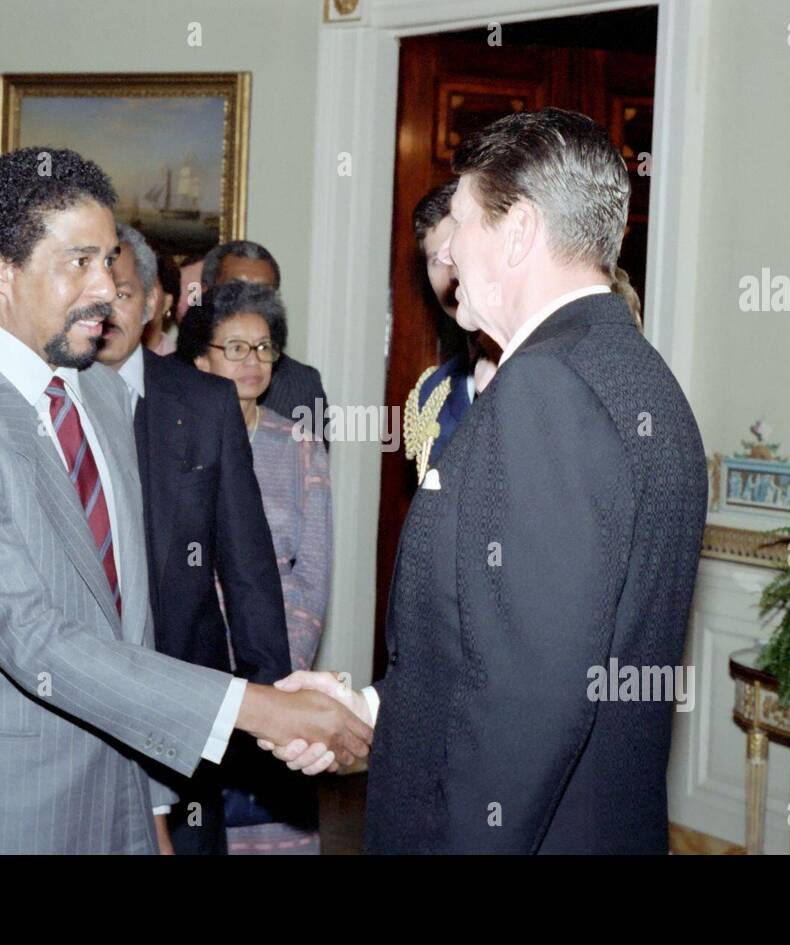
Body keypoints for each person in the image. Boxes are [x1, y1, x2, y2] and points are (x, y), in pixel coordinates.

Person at [0, 147, 369, 854]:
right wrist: (256, 709)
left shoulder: (107, 395)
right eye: (79, 262)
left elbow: (132, 620)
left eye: (109, 261)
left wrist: (157, 808)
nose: (106, 287)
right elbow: (36, 637)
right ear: (0, 271)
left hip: (125, 800)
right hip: (1, 804)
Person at [276, 108, 707, 853]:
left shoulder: (545, 388)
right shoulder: (637, 371)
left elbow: (529, 704)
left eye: (463, 225)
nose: (447, 258)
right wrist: (374, 708)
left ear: (518, 232)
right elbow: (507, 645)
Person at [95, 223, 291, 855]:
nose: (106, 309)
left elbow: (248, 562)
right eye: (93, 290)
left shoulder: (205, 402)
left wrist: (269, 699)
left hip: (184, 687)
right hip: (75, 692)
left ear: (154, 303)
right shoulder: (46, 403)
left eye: (122, 293)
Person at [178, 281, 333, 854]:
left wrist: (280, 672)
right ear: (200, 357)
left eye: (264, 348)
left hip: (275, 666)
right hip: (191, 671)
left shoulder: (297, 445)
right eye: (235, 348)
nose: (254, 362)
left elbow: (312, 571)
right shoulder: (171, 441)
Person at [404, 181, 497, 479]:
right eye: (435, 260)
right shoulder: (433, 393)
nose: (449, 270)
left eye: (455, 250)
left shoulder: (544, 370)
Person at [200, 240, 329, 442]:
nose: (250, 306)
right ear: (205, 293)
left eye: (264, 296)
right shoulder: (167, 377)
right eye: (236, 292)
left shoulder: (301, 386)